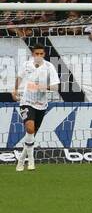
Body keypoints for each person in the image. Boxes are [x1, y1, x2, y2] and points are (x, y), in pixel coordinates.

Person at [11, 44, 59, 172]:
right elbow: (19, 77)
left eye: (41, 54)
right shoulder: (26, 65)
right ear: (33, 54)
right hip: (26, 101)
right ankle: (31, 161)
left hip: (41, 104)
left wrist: (40, 87)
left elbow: (55, 87)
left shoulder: (49, 67)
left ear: (44, 54)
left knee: (31, 134)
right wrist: (15, 90)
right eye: (36, 54)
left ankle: (21, 159)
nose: (38, 56)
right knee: (30, 128)